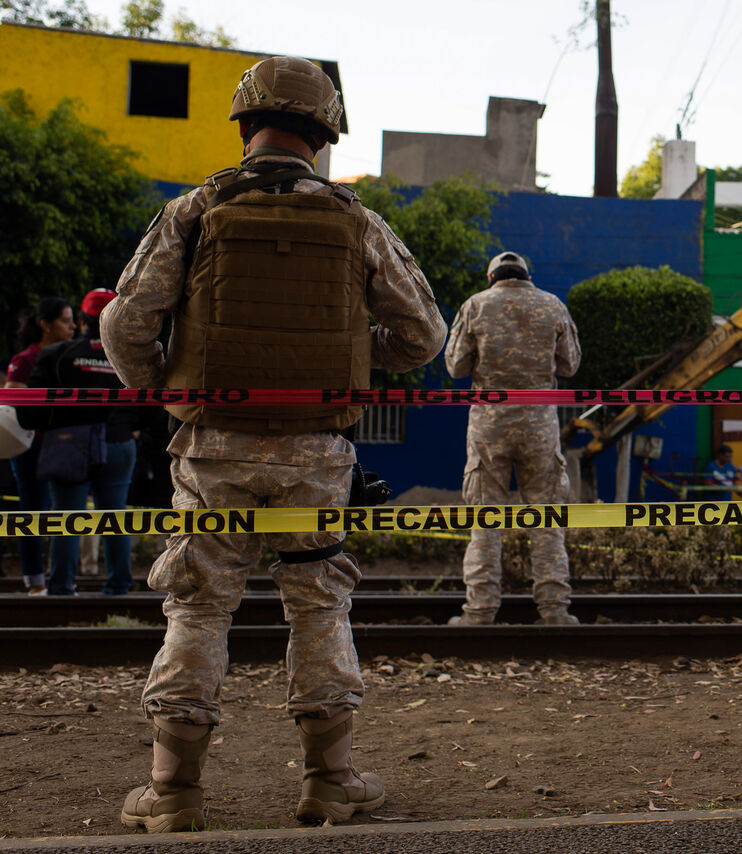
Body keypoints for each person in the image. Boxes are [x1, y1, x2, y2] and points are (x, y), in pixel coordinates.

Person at [99, 56, 446, 832]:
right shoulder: (359, 221)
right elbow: (424, 334)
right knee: (319, 604)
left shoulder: (193, 210)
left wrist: (163, 385)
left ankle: (174, 794)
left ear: (245, 122)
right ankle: (330, 782)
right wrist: (358, 356)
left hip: (211, 447)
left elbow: (125, 323)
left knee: (197, 606)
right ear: (325, 132)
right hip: (317, 451)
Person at [444, 251, 581, 626]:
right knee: (547, 519)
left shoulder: (475, 306)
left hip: (490, 428)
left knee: (485, 521)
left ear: (492, 278)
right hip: (540, 428)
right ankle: (555, 611)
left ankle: (480, 611)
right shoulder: (553, 305)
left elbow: (455, 366)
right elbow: (570, 365)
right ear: (526, 276)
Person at [20, 290, 138, 596]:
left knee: (67, 519)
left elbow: (28, 410)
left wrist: (54, 426)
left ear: (83, 321)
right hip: (117, 443)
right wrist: (130, 428)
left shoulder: (57, 354)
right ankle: (119, 588)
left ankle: (60, 589)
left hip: (68, 443)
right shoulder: (128, 356)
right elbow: (152, 403)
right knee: (115, 519)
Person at [5, 297, 74, 594]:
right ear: (46, 325)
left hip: (64, 444)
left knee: (62, 512)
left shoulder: (70, 357)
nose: (72, 326)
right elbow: (10, 409)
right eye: (65, 320)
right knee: (31, 511)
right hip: (30, 448)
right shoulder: (24, 361)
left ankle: (61, 579)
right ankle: (35, 582)